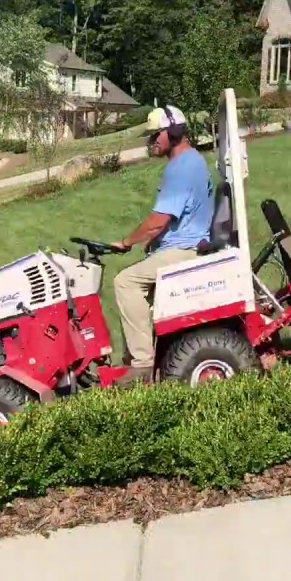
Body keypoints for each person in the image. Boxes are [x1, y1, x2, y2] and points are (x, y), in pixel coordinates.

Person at [111, 105, 214, 385]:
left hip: (185, 250)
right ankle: (132, 358)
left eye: (156, 134)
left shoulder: (182, 167)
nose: (151, 141)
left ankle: (142, 365)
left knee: (125, 282)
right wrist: (154, 242)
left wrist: (126, 242)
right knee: (133, 282)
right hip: (182, 244)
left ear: (174, 132)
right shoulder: (189, 162)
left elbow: (159, 220)